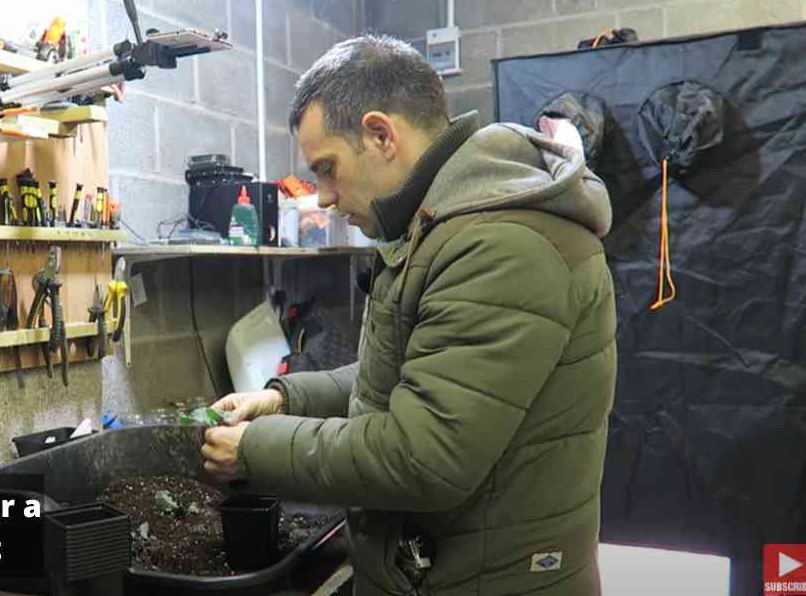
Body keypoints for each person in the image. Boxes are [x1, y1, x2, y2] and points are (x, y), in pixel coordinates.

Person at [200, 35, 617, 595]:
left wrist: (256, 449)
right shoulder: (437, 226)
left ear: (380, 134)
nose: (321, 197)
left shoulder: (499, 243)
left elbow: (425, 455)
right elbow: (408, 374)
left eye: (327, 168)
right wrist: (285, 398)